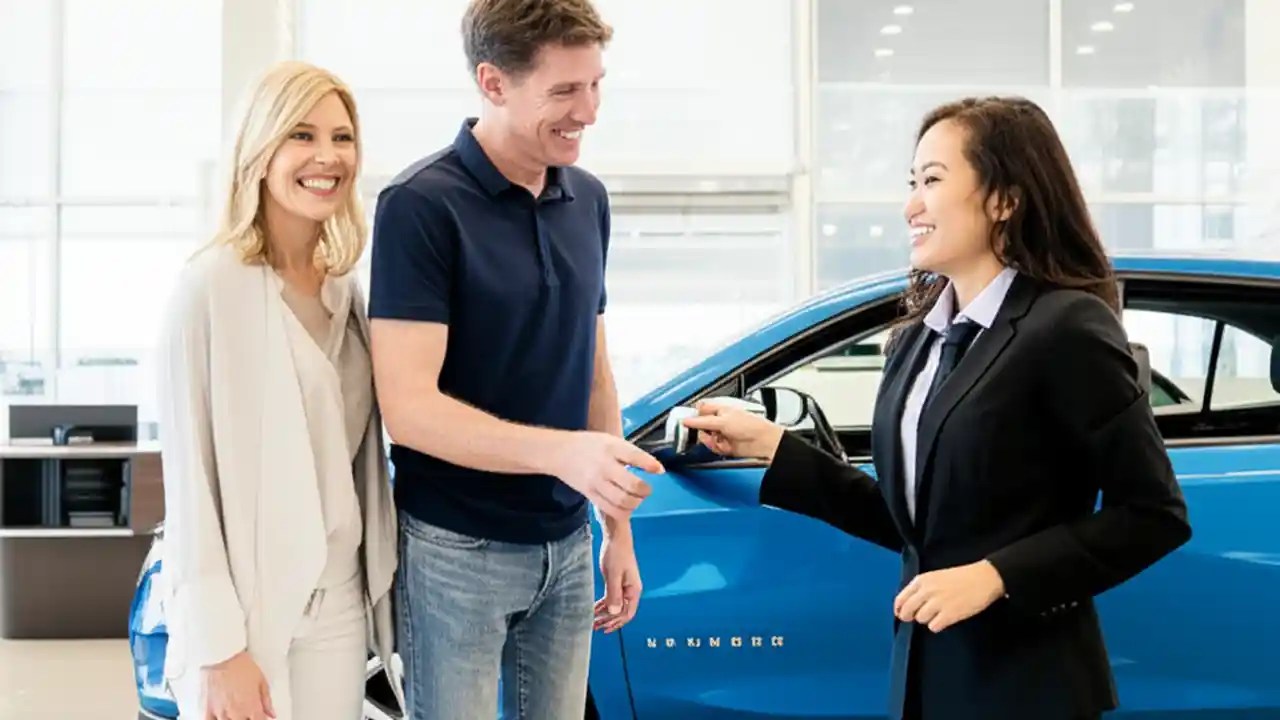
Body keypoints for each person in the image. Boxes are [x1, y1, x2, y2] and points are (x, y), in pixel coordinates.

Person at [682, 96, 1192, 720]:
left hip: (1026, 687)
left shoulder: (1066, 327)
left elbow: (1153, 515)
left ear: (1005, 200)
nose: (911, 206)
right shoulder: (916, 340)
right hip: (924, 677)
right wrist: (776, 449)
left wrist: (996, 575)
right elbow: (917, 528)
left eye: (932, 180)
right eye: (912, 183)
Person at [366, 0, 663, 717]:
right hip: (455, 550)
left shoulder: (587, 199)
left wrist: (615, 528)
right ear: (493, 83)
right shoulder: (419, 205)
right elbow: (409, 411)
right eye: (564, 91)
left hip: (567, 544)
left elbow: (593, 370)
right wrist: (564, 455)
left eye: (595, 84)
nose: (588, 111)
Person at [155, 60, 397, 720]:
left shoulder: (344, 290)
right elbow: (190, 485)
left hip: (339, 604)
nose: (327, 156)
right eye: (302, 134)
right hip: (247, 613)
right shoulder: (209, 287)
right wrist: (217, 648)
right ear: (260, 150)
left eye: (342, 137)